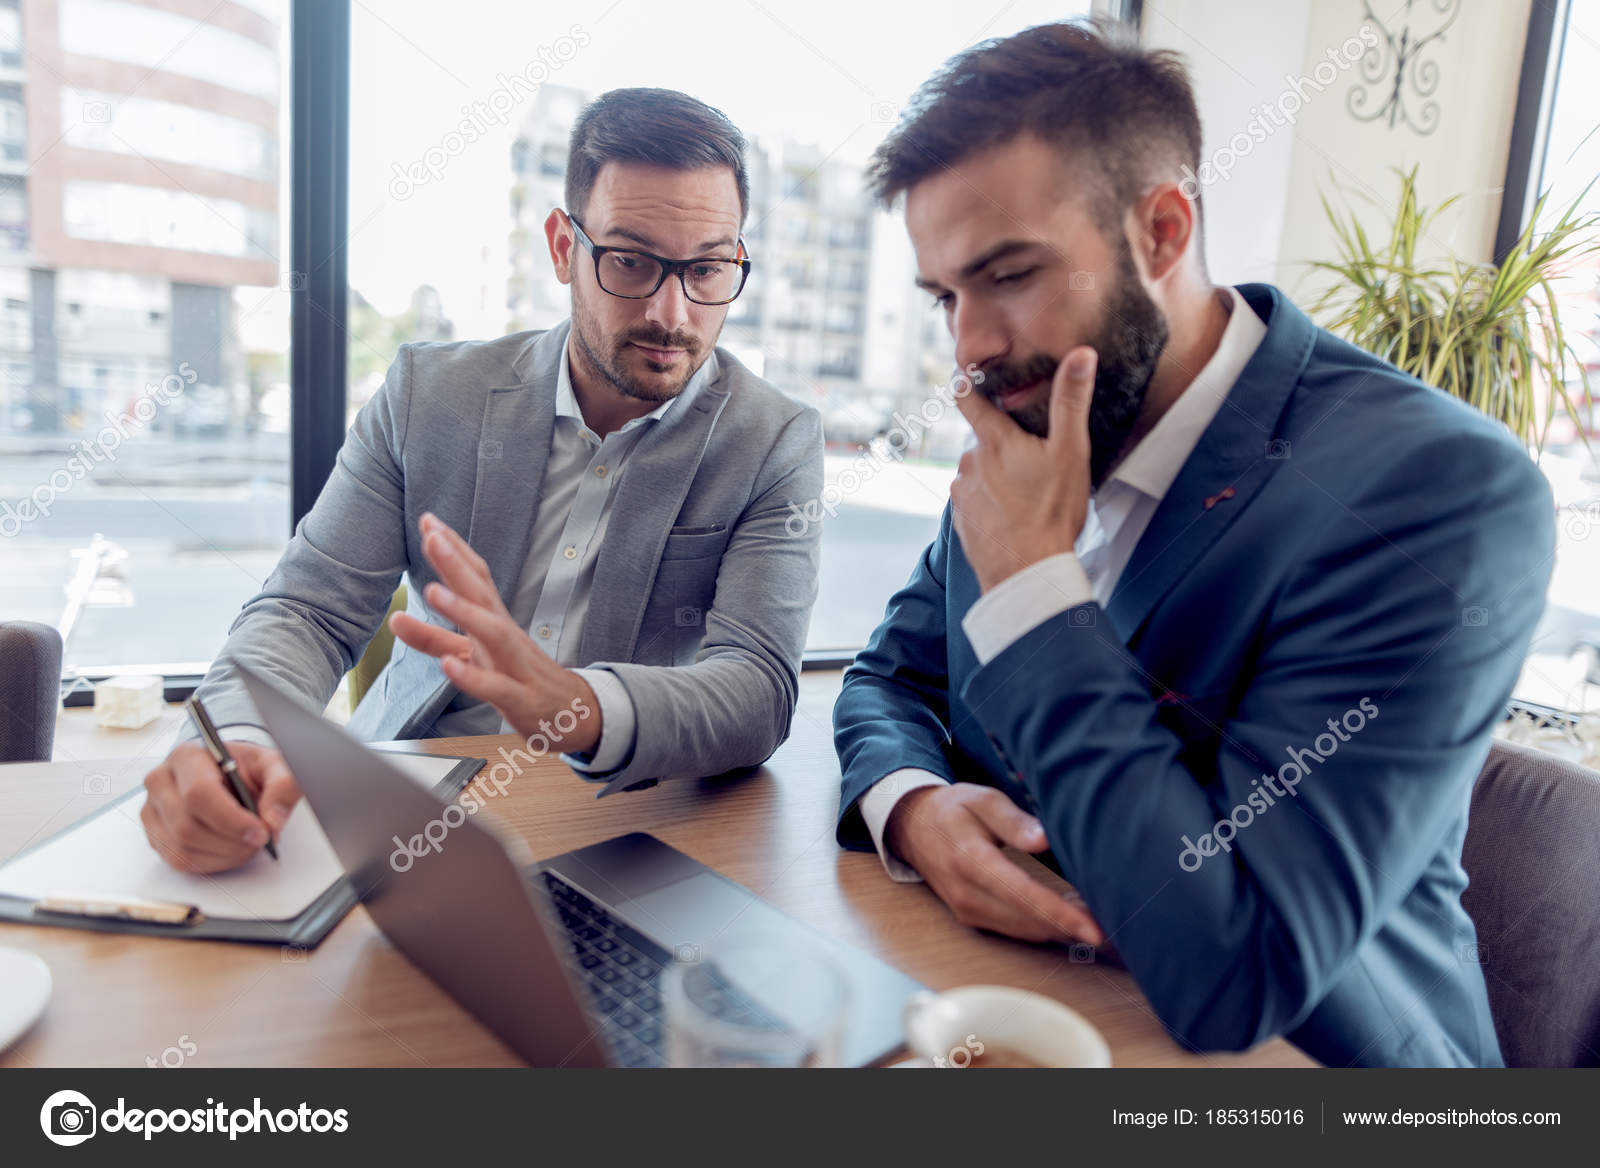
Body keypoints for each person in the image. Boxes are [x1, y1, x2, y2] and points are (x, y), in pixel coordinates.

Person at [832, 22, 1552, 1067]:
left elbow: (1234, 970)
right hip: (1038, 1012)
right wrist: (911, 807)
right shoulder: (1029, 425)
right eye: (948, 297)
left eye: (1011, 275)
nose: (971, 348)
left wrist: (1036, 590)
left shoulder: (1438, 494)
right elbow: (887, 678)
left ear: (1163, 230)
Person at [142, 88, 823, 875]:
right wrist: (235, 743)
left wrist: (577, 704)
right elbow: (308, 611)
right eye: (631, 261)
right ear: (564, 247)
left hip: (617, 822)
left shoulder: (774, 440)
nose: (672, 313)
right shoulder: (427, 395)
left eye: (707, 268)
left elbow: (758, 690)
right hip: (404, 797)